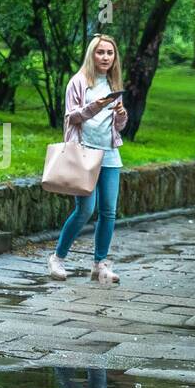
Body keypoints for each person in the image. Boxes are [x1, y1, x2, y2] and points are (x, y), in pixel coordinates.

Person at [47, 34, 127, 285]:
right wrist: (96, 105)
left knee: (109, 211)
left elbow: (118, 126)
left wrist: (122, 115)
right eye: (100, 52)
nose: (105, 57)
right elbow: (72, 117)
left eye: (110, 53)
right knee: (85, 210)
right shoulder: (79, 82)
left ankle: (99, 265)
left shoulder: (114, 84)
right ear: (92, 55)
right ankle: (57, 258)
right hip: (83, 153)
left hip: (109, 154)